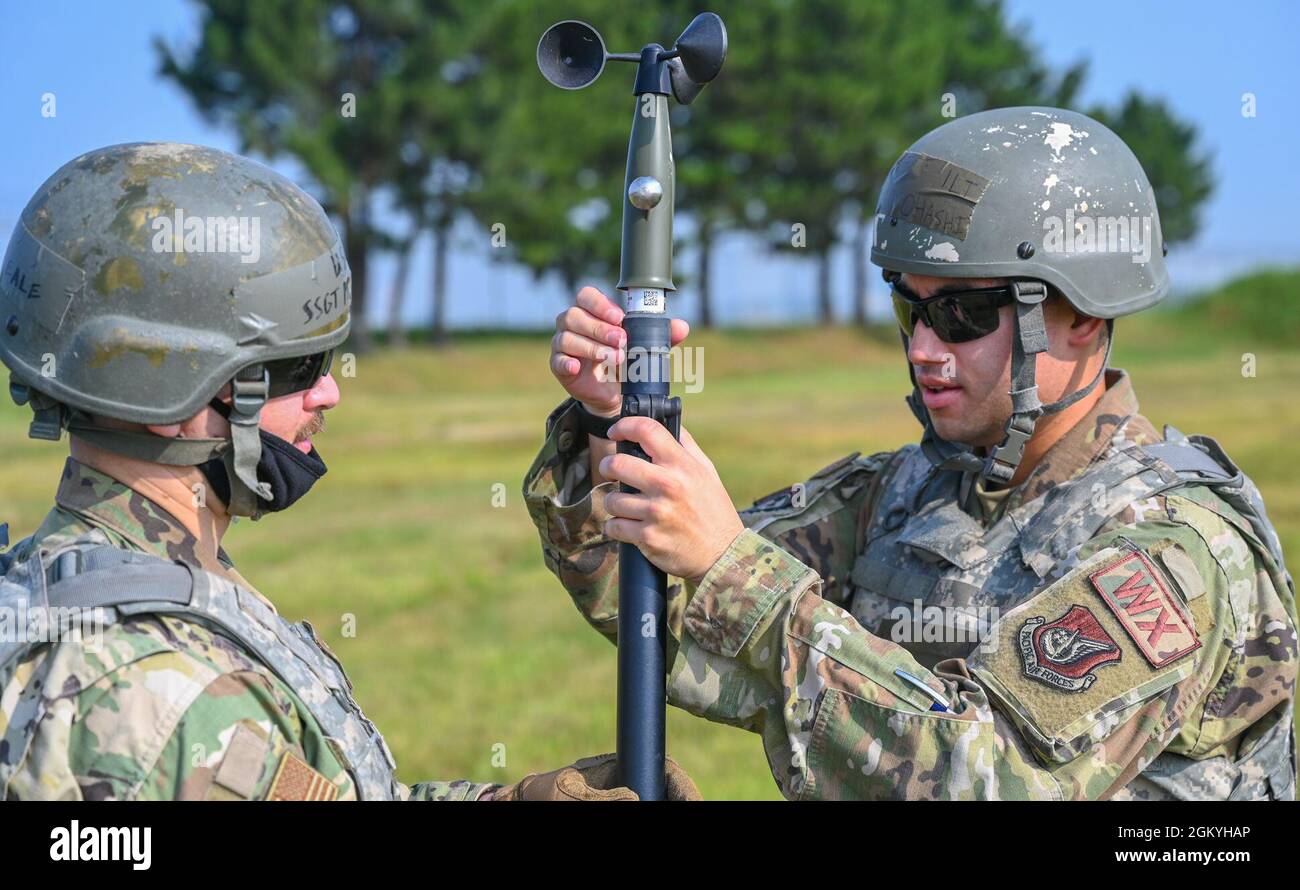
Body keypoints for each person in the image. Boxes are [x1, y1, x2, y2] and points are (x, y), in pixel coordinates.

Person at [524, 106, 1297, 800]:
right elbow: (659, 609)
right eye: (910, 305)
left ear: (1083, 317)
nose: (924, 347)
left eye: (964, 311)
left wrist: (736, 568)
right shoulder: (904, 492)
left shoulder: (1176, 554)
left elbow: (997, 781)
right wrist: (607, 427)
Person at [0, 142, 699, 802]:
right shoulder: (172, 698)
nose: (328, 393)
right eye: (299, 369)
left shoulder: (88, 584)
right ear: (161, 391)